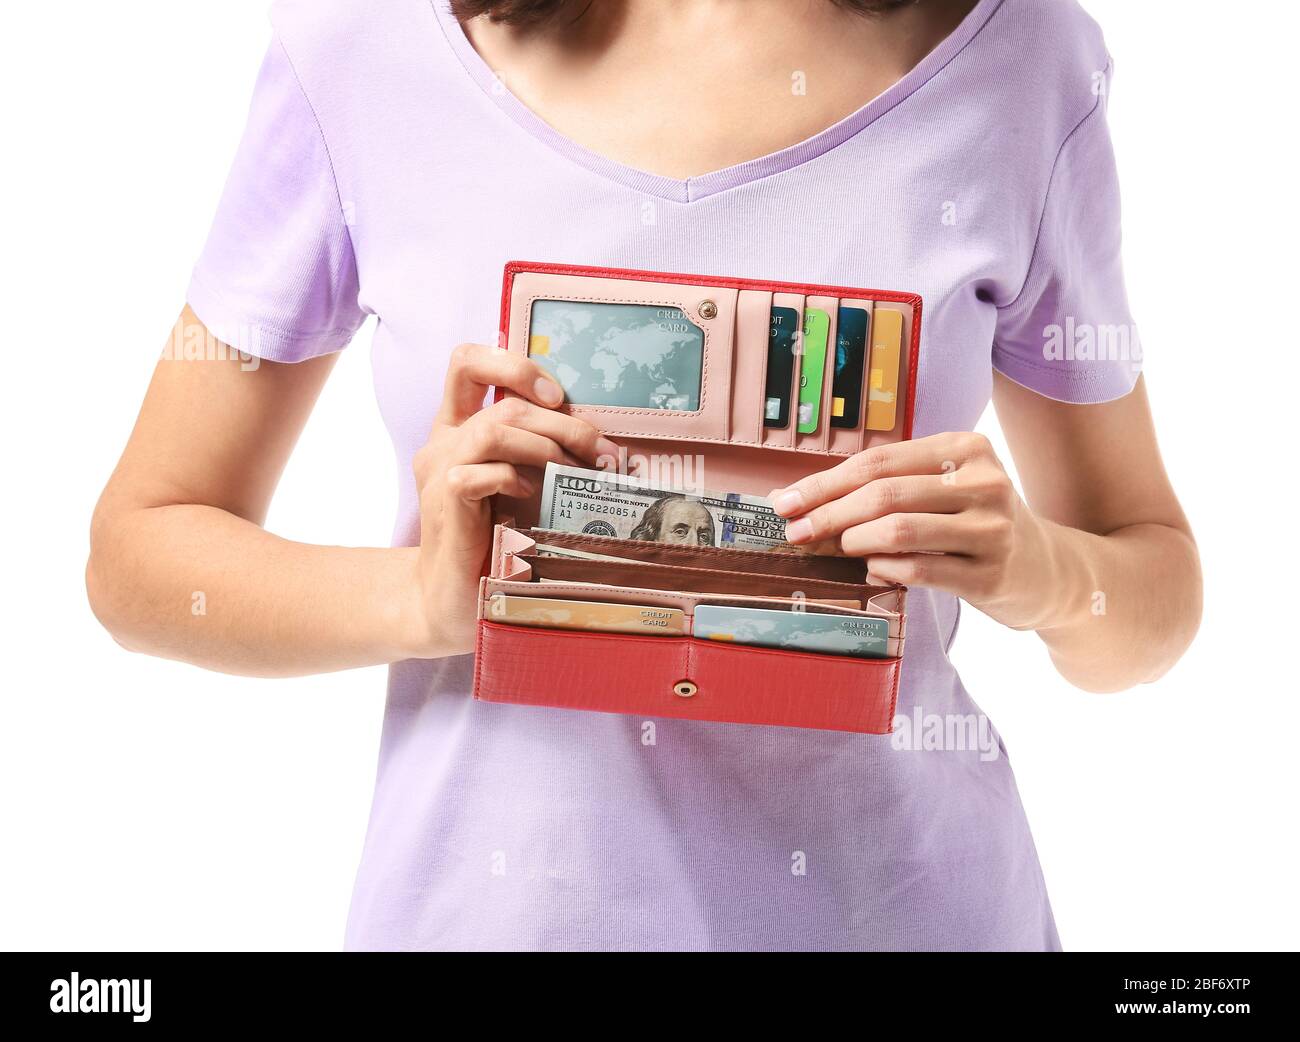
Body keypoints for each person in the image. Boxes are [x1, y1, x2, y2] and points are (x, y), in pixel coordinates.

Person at [86, 0, 1201, 950]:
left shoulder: (1022, 56)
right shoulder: (364, 45)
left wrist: (1042, 572)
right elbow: (139, 551)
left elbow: (1150, 592)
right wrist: (422, 598)